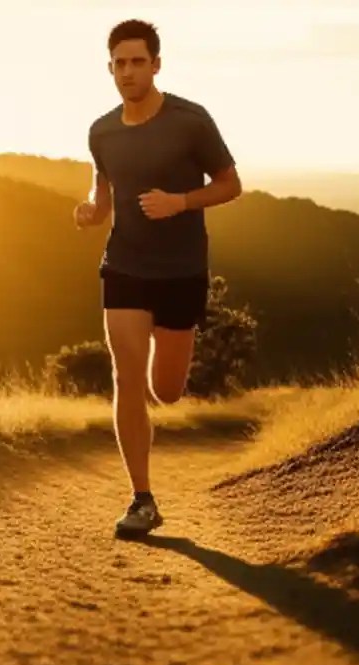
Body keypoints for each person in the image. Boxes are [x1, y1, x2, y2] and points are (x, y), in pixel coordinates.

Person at [73, 19, 243, 537]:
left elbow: (232, 184)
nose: (128, 71)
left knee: (164, 390)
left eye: (138, 61)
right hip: (124, 265)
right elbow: (103, 197)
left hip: (181, 271)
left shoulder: (190, 121)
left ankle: (160, 399)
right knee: (125, 378)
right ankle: (142, 499)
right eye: (119, 63)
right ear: (110, 69)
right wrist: (90, 212)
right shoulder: (101, 131)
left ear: (156, 65)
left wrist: (181, 202)